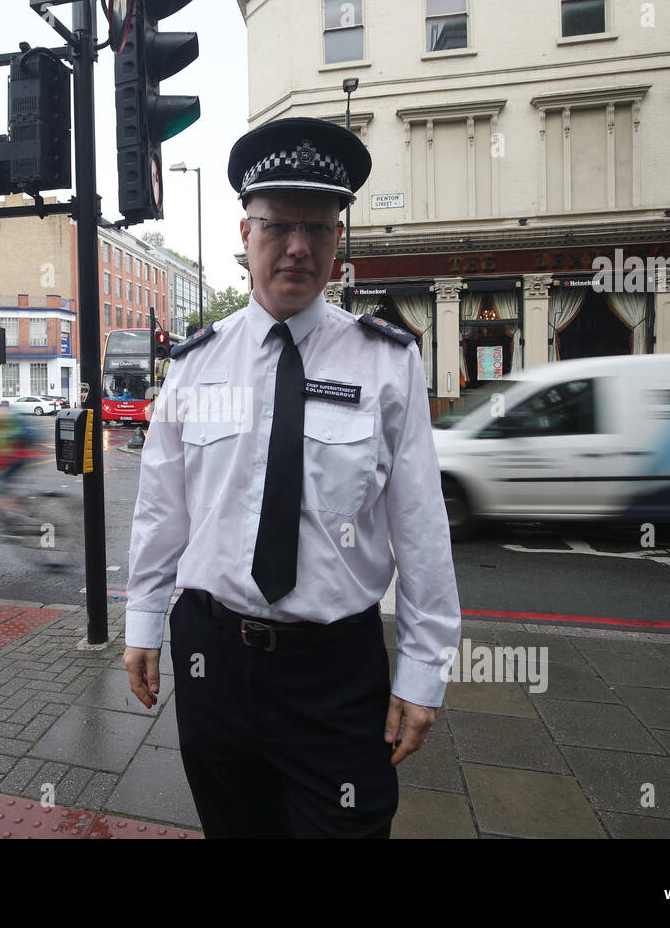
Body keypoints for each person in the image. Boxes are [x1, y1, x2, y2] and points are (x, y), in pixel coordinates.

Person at [123, 117, 461, 839]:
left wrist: (424, 670)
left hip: (334, 672)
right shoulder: (194, 365)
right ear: (245, 235)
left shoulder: (386, 361)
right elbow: (162, 509)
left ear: (340, 241)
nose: (299, 247)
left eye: (319, 226)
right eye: (278, 226)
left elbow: (421, 525)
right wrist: (144, 623)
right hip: (213, 658)